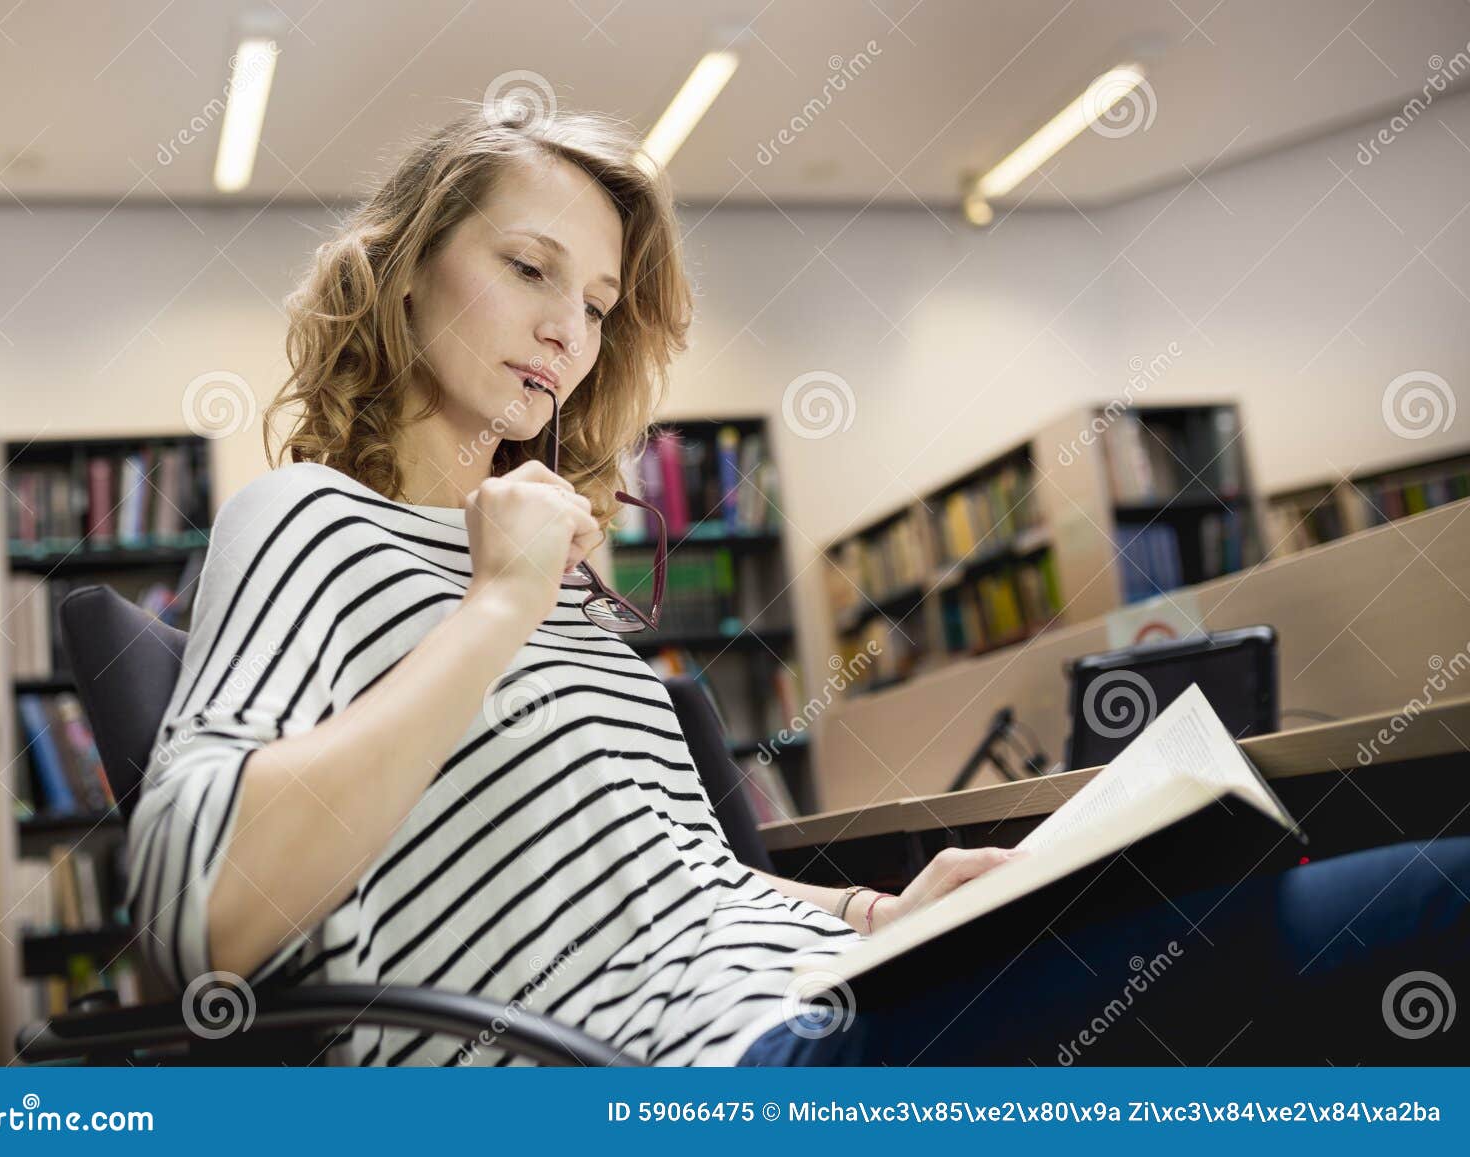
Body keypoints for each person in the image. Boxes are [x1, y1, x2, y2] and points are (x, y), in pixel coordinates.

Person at [124, 103, 1468, 1069]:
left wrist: (883, 908)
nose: (565, 331)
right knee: (1418, 910)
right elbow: (203, 919)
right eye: (529, 269)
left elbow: (682, 886)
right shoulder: (314, 522)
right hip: (723, 1062)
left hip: (823, 993)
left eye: (597, 304)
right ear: (408, 269)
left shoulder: (561, 593)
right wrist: (495, 605)